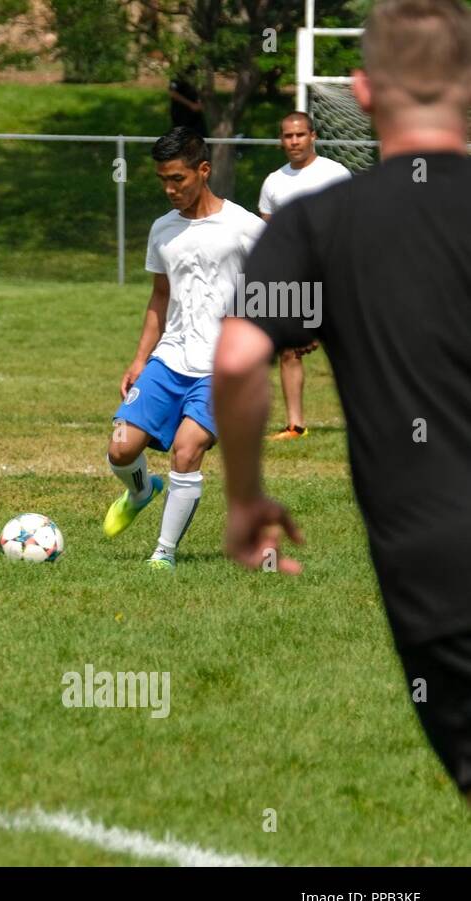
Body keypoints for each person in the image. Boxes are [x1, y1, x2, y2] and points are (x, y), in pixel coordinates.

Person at [213, 0, 471, 797]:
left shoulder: (323, 221)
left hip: (436, 564)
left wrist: (245, 496)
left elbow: (237, 356)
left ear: (359, 92)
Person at [103, 127, 264, 569]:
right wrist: (139, 359)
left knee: (187, 449)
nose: (170, 189)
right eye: (162, 180)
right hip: (171, 357)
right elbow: (160, 295)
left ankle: (163, 554)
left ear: (204, 170)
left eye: (178, 179)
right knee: (120, 448)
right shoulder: (163, 230)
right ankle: (141, 491)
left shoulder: (243, 227)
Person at [256, 111, 351, 441]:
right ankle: (295, 425)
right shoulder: (273, 182)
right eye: (287, 136)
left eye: (299, 135)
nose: (293, 141)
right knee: (290, 350)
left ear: (313, 136)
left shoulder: (335, 174)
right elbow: (269, 233)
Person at [168, 71, 209, 138]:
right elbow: (172, 93)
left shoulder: (195, 70)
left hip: (195, 117)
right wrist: (191, 105)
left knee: (201, 138)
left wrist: (200, 102)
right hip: (181, 115)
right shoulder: (178, 73)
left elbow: (197, 90)